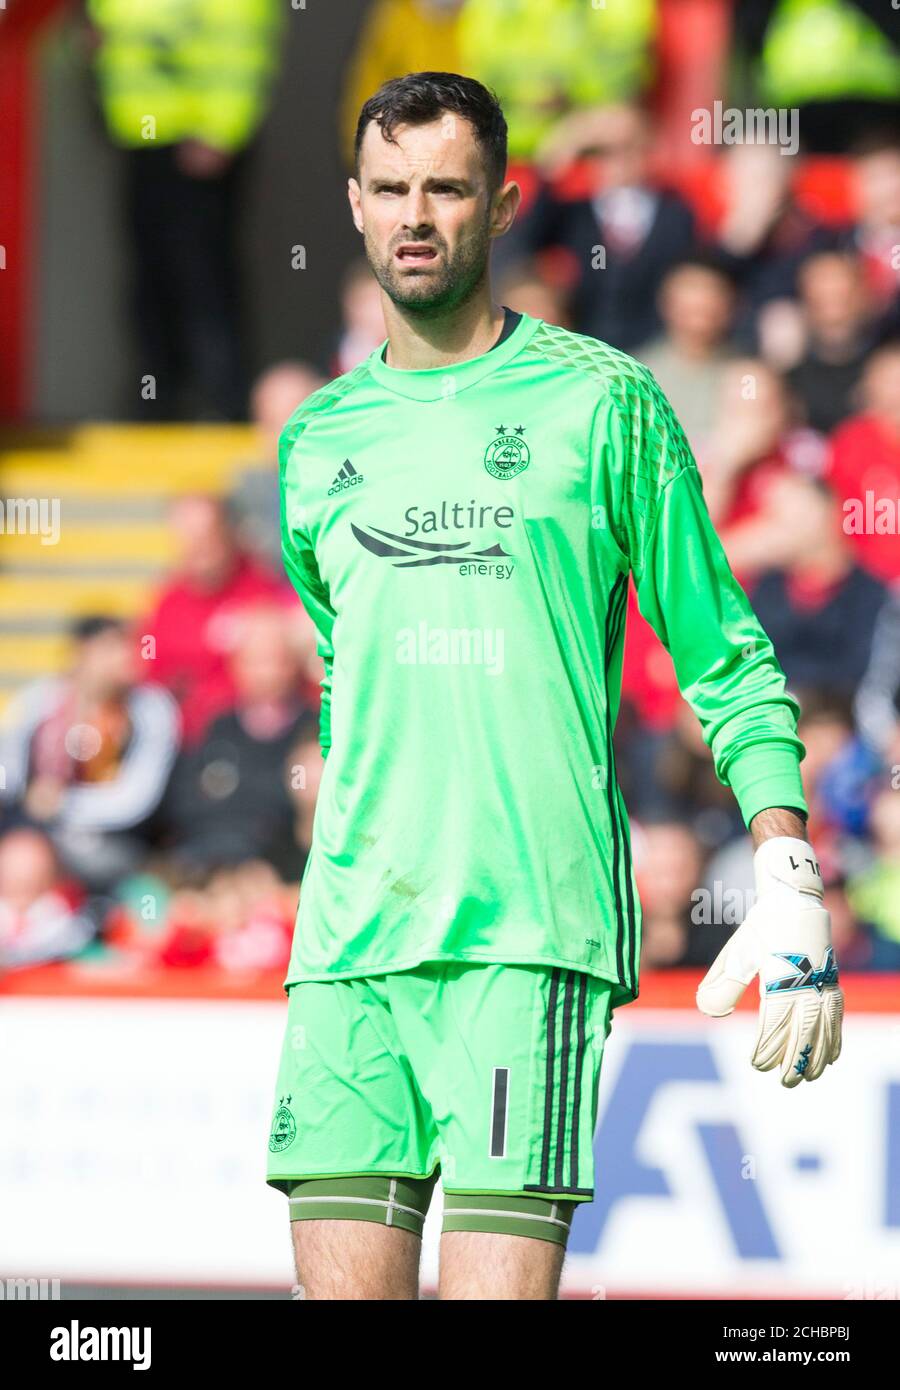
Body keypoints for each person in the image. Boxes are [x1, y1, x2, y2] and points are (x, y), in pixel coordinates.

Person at [265, 72, 843, 1303]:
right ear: (356, 208)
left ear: (503, 204)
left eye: (447, 189)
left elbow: (724, 654)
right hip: (351, 943)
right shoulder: (315, 442)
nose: (416, 215)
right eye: (390, 189)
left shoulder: (604, 402)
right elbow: (341, 678)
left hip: (527, 935)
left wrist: (788, 866)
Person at [85, 0, 283, 420]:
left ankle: (224, 406)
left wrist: (220, 128)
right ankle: (157, 404)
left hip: (197, 140)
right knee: (149, 278)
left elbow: (241, 43)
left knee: (204, 280)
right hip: (140, 136)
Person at [0, 617, 179, 891]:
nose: (125, 658)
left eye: (128, 648)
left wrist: (64, 804)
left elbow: (137, 801)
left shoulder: (150, 709)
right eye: (109, 649)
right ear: (80, 653)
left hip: (110, 838)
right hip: (34, 827)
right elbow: (8, 770)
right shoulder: (39, 700)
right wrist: (29, 800)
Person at [139, 494, 289, 743]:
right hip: (181, 743)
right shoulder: (167, 601)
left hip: (249, 741)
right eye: (187, 537)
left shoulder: (263, 591)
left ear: (227, 532)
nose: (197, 547)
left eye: (205, 535)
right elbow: (149, 669)